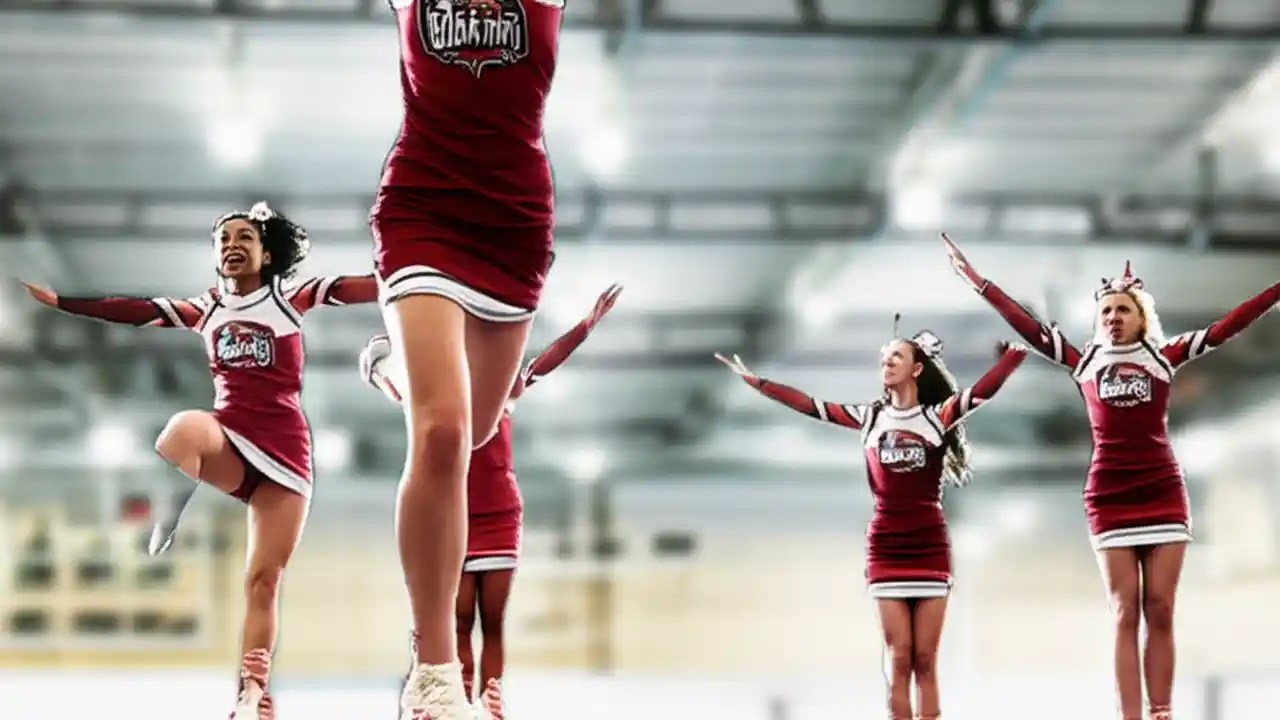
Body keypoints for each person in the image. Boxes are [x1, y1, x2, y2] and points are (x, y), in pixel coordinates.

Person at [21, 201, 379, 720]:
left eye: (244, 238)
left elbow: (354, 287)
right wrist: (64, 302)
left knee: (262, 579)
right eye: (223, 239)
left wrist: (407, 276)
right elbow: (135, 309)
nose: (232, 245)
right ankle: (172, 508)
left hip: (285, 454)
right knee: (181, 430)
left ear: (266, 252)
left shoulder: (289, 299)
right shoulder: (207, 309)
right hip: (228, 438)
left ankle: (253, 692)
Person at [941, 233, 1280, 720]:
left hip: (1161, 489)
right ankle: (1129, 715)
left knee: (1160, 610)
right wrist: (976, 281)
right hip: (1110, 494)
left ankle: (1161, 710)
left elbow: (1227, 327)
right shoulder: (1085, 363)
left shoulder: (1164, 357)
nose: (1113, 318)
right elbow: (1028, 326)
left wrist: (1273, 293)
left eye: (1123, 310)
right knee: (1125, 612)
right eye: (1106, 312)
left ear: (1142, 317)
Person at [370, 3, 568, 715]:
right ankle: (433, 671)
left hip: (513, 222)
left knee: (478, 426)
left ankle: (391, 366)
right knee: (445, 433)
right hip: (422, 206)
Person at [716, 324, 1027, 720]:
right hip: (886, 545)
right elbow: (810, 405)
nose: (886, 360)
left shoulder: (936, 418)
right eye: (883, 356)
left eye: (896, 355)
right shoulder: (868, 418)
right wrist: (758, 383)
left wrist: (1014, 358)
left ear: (917, 369)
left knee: (926, 661)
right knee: (898, 659)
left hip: (929, 544)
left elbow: (980, 393)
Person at [360, 283, 622, 720]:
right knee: (458, 620)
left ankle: (492, 701)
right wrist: (376, 363)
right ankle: (453, 700)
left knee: (493, 622)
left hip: (499, 510)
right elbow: (387, 377)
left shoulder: (502, 391)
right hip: (455, 513)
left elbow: (545, 363)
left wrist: (587, 325)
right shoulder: (428, 395)